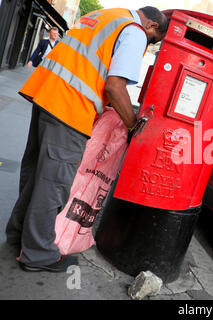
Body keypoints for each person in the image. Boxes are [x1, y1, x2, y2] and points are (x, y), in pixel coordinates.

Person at [5, 6, 168, 272]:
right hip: (70, 107)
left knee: (35, 173)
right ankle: (38, 253)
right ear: (151, 26)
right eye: (153, 41)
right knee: (54, 183)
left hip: (46, 94)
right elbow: (115, 86)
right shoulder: (135, 31)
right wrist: (132, 124)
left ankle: (17, 235)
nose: (147, 46)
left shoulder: (106, 15)